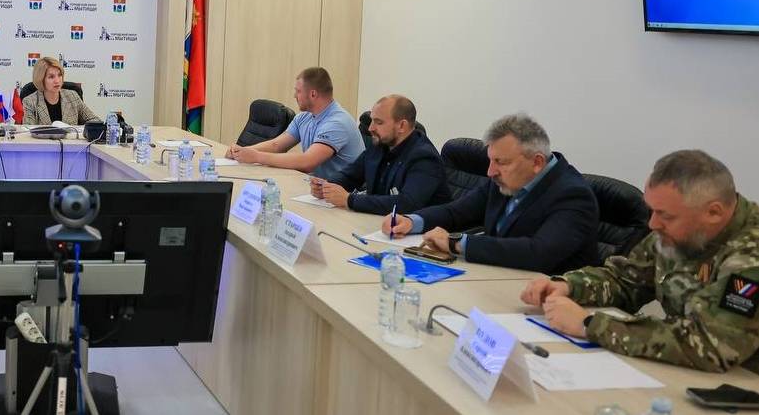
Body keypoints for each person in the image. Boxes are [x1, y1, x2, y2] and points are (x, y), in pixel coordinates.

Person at [522, 150, 759, 372]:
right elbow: (625, 280)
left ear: (714, 213)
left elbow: (713, 345)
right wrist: (569, 286)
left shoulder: (749, 258)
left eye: (665, 215)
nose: (653, 224)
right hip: (687, 372)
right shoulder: (674, 232)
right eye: (652, 211)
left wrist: (589, 324)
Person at [383, 113, 598, 274]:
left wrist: (456, 243)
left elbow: (537, 253)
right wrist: (412, 221)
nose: (490, 172)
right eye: (491, 160)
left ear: (537, 162)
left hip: (550, 301)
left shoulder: (573, 195)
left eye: (501, 162)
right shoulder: (505, 180)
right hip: (496, 278)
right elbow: (456, 212)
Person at [309, 94, 449, 214]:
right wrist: (327, 186)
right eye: (372, 121)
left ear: (402, 126)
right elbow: (350, 175)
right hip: (378, 223)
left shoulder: (424, 158)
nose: (370, 128)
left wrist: (349, 200)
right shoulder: (380, 145)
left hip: (421, 233)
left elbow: (406, 204)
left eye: (379, 122)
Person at [226, 67, 364, 179]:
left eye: (298, 91)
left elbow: (307, 162)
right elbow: (276, 145)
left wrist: (257, 156)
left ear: (313, 94)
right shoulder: (304, 117)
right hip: (318, 189)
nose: (294, 96)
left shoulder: (337, 123)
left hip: (343, 194)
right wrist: (242, 152)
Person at [23, 56, 99, 126]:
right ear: (41, 79)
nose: (57, 81)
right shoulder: (30, 102)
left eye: (59, 75)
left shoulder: (72, 96)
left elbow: (95, 120)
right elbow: (28, 130)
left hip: (71, 137)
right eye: (51, 77)